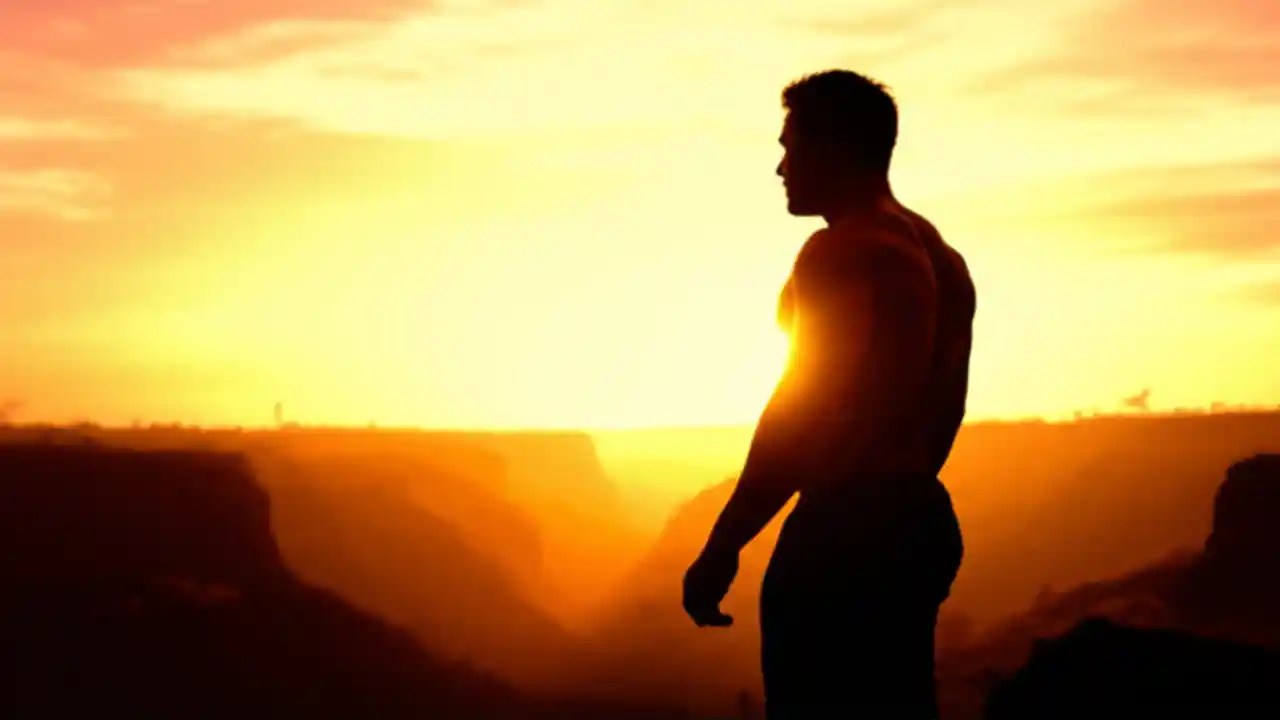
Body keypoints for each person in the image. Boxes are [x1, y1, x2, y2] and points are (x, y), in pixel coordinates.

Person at [682, 70, 976, 719]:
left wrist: (724, 543)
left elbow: (802, 407)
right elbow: (947, 408)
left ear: (835, 147)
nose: (781, 167)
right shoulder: (943, 257)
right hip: (917, 519)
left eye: (792, 146)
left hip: (846, 534)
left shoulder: (839, 250)